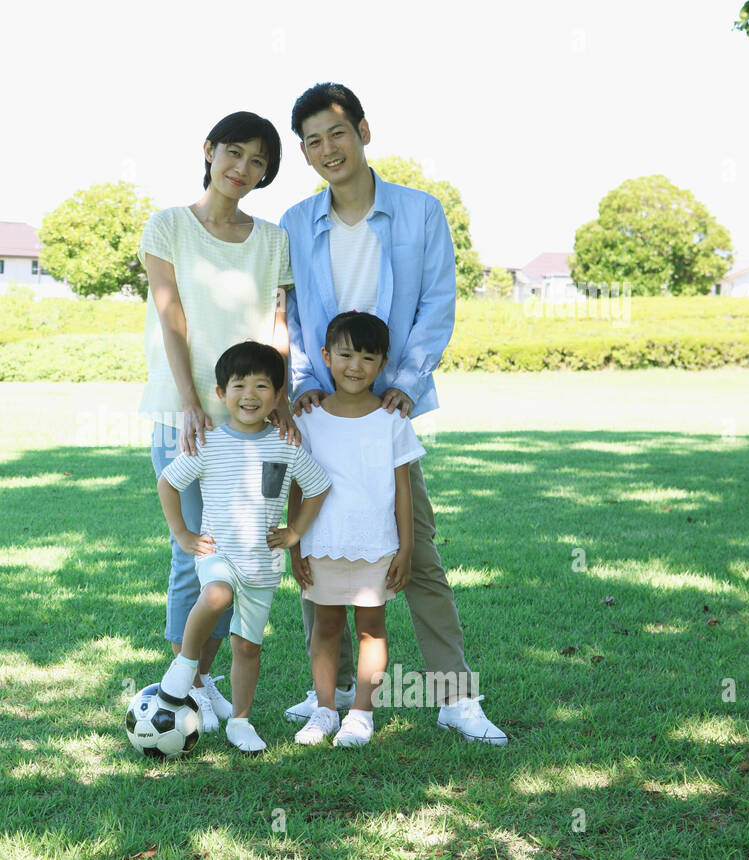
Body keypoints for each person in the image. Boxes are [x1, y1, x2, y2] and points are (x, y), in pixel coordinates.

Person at [279, 82, 507, 744]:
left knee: (419, 553)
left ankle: (455, 696)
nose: (327, 149)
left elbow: (437, 303)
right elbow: (289, 316)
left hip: (386, 409)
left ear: (363, 131)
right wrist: (299, 384)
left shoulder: (419, 213)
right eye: (312, 141)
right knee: (317, 540)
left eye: (337, 133)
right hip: (320, 410)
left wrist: (404, 382)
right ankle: (334, 692)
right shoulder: (296, 221)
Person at [140, 111, 298, 733]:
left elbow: (279, 324)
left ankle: (202, 680)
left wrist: (278, 398)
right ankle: (192, 683)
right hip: (185, 415)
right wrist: (188, 401)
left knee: (243, 547)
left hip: (254, 421)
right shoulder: (169, 226)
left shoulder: (273, 239)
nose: (243, 169)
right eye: (234, 153)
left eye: (258, 162)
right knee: (194, 554)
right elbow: (169, 310)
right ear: (209, 152)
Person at [156, 342, 329, 753]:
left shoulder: (286, 445)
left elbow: (318, 486)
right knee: (216, 594)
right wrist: (182, 533)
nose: (249, 395)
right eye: (239, 385)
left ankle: (241, 720)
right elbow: (168, 482)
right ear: (221, 393)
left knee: (247, 646)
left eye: (262, 386)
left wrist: (295, 531)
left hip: (263, 566)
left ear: (277, 394)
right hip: (218, 555)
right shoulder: (209, 443)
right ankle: (186, 666)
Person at [288, 311, 424, 747]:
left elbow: (404, 491)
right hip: (322, 541)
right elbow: (297, 483)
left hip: (376, 543)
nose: (355, 366)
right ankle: (325, 710)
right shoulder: (307, 419)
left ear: (383, 365)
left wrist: (406, 548)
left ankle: (361, 713)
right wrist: (293, 541)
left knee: (371, 629)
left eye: (368, 357)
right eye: (345, 354)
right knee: (325, 628)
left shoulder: (392, 420)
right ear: (326, 357)